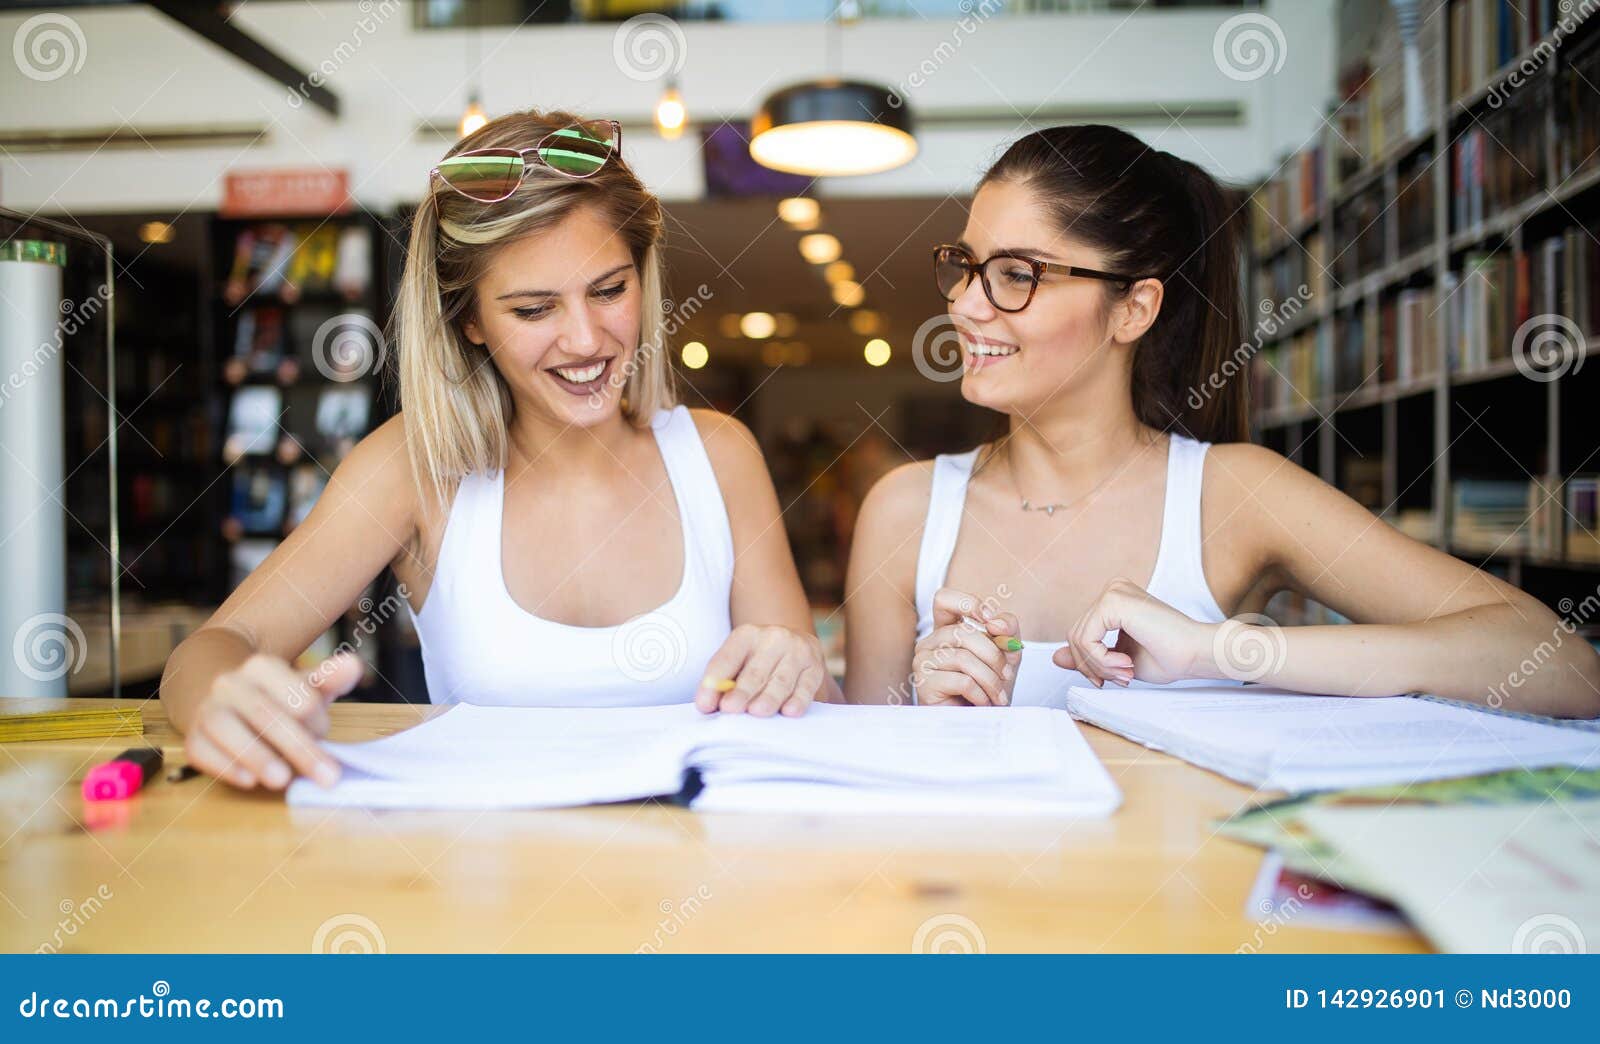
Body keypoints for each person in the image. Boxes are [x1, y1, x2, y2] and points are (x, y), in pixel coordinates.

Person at [162, 109, 838, 791]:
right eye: (534, 309)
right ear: (470, 321)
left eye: (609, 290)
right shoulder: (412, 469)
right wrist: (226, 700)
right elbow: (211, 651)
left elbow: (812, 719)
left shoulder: (720, 456)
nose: (585, 340)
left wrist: (800, 666)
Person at [844, 123, 1600, 718]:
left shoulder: (1234, 495)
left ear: (1133, 308)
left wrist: (1218, 651)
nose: (966, 305)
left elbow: (1561, 665)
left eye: (1016, 275)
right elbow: (860, 788)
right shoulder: (905, 510)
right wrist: (922, 708)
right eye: (967, 266)